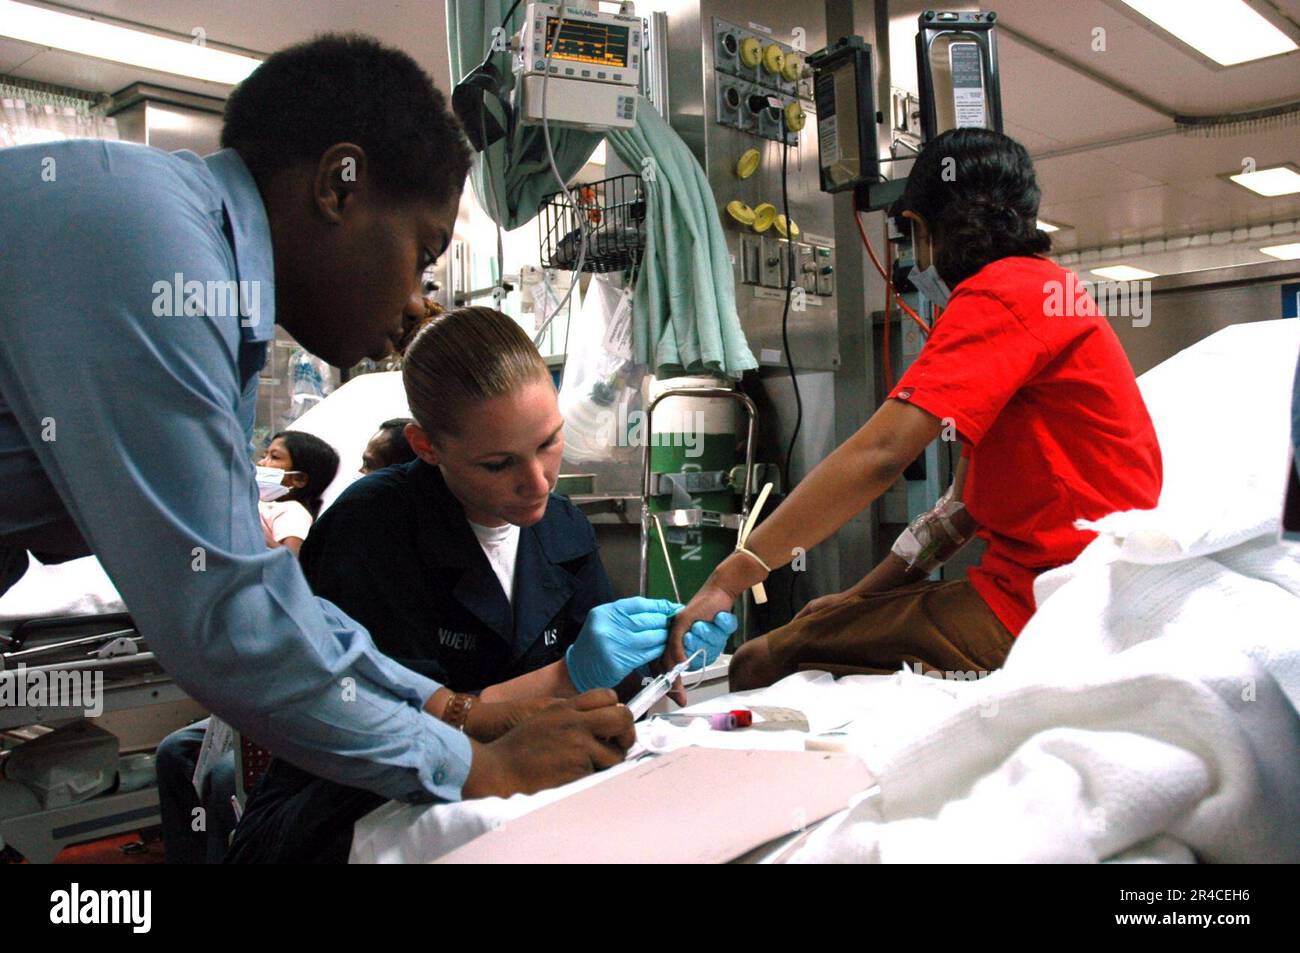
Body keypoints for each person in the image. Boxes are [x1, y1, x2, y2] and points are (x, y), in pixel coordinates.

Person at [0, 33, 640, 823]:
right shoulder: (152, 250)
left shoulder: (194, 269)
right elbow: (227, 620)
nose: (418, 300)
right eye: (423, 252)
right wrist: (476, 767)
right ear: (341, 184)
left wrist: (452, 711)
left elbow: (268, 603)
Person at [226, 307, 735, 862]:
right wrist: (568, 676)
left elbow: (604, 693)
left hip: (521, 800)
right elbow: (394, 729)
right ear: (426, 447)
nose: (537, 481)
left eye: (549, 443)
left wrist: (658, 662)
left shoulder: (563, 527)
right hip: (350, 811)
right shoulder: (371, 529)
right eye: (498, 464)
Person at [666, 127, 1163, 689]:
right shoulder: (1050, 292)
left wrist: (730, 578)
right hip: (1082, 593)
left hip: (1042, 607)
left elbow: (881, 455)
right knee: (823, 626)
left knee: (763, 660)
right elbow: (958, 510)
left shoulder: (1000, 296)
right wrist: (856, 599)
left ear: (922, 231)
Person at [155, 430, 339, 863]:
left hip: (278, 685)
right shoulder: (252, 506)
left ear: (298, 478)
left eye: (275, 457)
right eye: (265, 452)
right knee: (171, 752)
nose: (263, 461)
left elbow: (286, 573)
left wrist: (249, 529)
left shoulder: (290, 513)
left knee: (223, 777)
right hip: (242, 674)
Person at [257, 430, 340, 553]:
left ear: (299, 479)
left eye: (274, 457)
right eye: (264, 456)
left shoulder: (293, 511)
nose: (260, 463)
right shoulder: (262, 502)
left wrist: (251, 531)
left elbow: (292, 560)